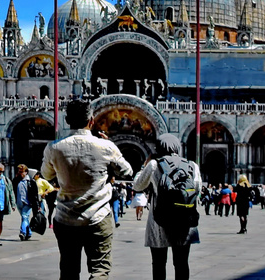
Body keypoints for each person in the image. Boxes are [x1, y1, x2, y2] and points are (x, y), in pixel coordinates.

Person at [40, 97, 133, 280]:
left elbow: (46, 175)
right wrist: (110, 147)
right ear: (91, 121)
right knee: (99, 270)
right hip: (98, 217)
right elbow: (127, 171)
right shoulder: (106, 146)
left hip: (66, 218)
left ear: (67, 120)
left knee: (68, 271)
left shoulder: (54, 148)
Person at [132, 133, 199, 280]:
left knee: (159, 263)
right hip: (184, 220)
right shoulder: (192, 165)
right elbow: (197, 189)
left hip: (159, 221)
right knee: (182, 263)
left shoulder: (154, 165)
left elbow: (137, 186)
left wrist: (143, 167)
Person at [15, 164, 39, 241]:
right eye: (19, 171)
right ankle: (29, 233)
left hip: (28, 203)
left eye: (21, 172)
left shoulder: (31, 182)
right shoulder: (16, 180)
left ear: (26, 172)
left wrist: (37, 205)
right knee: (25, 218)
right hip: (19, 203)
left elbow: (35, 195)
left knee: (24, 217)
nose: (20, 173)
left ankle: (23, 232)